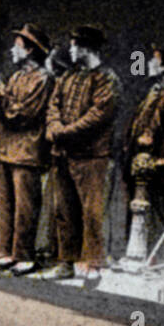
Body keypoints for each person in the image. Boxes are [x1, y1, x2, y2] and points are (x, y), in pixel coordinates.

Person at [43, 24, 121, 280]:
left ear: (86, 47)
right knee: (64, 211)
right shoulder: (69, 76)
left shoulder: (107, 78)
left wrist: (63, 132)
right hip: (64, 154)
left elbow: (98, 116)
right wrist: (55, 126)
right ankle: (67, 262)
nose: (72, 49)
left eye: (75, 45)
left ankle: (94, 263)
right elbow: (53, 105)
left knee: (92, 212)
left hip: (92, 156)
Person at [0, 24, 54, 276]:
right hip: (8, 149)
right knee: (4, 204)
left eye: (17, 45)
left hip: (27, 151)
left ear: (29, 50)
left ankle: (24, 255)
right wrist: (6, 101)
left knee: (25, 207)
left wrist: (4, 99)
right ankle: (5, 251)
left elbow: (23, 114)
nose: (11, 50)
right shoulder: (15, 77)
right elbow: (8, 109)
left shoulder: (43, 79)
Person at [123, 40, 164, 252]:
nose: (148, 62)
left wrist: (162, 162)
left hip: (157, 168)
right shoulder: (152, 94)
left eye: (154, 59)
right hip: (139, 163)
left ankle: (163, 252)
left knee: (160, 212)